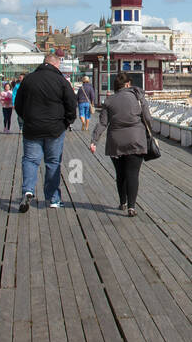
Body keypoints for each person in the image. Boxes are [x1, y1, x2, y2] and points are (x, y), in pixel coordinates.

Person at [13, 51, 77, 211]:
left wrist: (26, 118)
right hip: (55, 128)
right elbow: (71, 103)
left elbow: (18, 103)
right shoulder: (61, 81)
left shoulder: (28, 79)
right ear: (56, 64)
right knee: (53, 162)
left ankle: (28, 190)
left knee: (30, 160)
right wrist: (67, 122)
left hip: (32, 127)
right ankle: (54, 199)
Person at [89, 72, 153, 217]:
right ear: (128, 84)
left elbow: (102, 123)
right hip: (136, 139)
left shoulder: (109, 100)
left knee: (121, 174)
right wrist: (150, 131)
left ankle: (122, 202)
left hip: (116, 142)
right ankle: (131, 207)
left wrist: (94, 141)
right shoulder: (137, 96)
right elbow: (147, 117)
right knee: (133, 173)